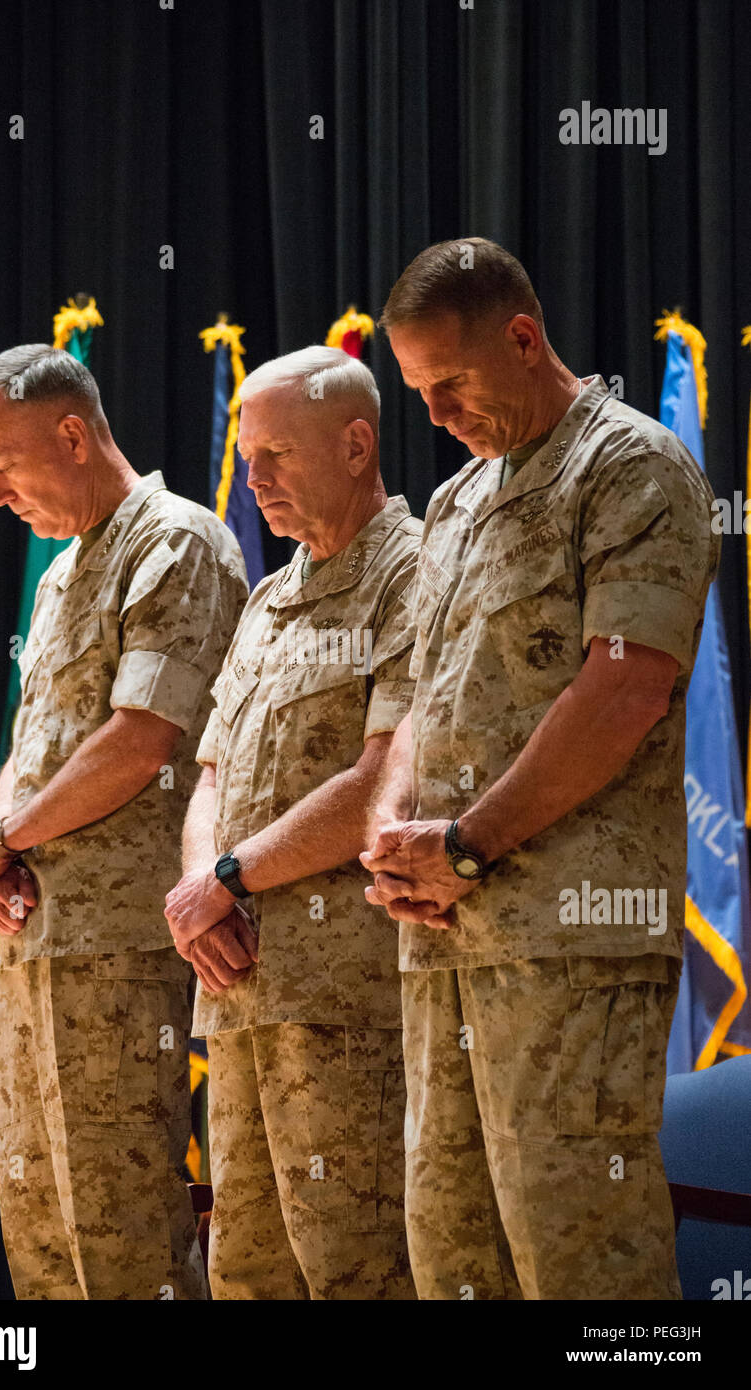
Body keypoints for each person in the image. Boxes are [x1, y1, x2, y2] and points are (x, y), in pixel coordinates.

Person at [361, 237, 720, 1300]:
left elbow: (624, 689)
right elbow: (424, 700)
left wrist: (468, 843)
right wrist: (395, 847)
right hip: (443, 942)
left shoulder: (630, 466)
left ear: (522, 339)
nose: (432, 416)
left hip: (570, 940)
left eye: (450, 384)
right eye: (416, 391)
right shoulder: (454, 507)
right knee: (452, 1257)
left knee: (579, 1259)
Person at [0, 344, 248, 1300]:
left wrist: (5, 842)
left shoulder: (177, 543)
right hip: (37, 946)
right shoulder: (57, 575)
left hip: (125, 952)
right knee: (40, 1233)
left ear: (73, 433)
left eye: (4, 467)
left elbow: (142, 739)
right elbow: (30, 750)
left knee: (126, 1235)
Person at [165, 346, 420, 1300]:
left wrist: (225, 881)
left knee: (362, 1270)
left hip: (351, 1004)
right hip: (239, 996)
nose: (252, 477)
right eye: (245, 454)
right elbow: (213, 774)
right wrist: (202, 896)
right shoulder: (269, 601)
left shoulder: (414, 568)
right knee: (247, 1275)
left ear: (357, 445)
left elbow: (380, 777)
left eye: (275, 452)